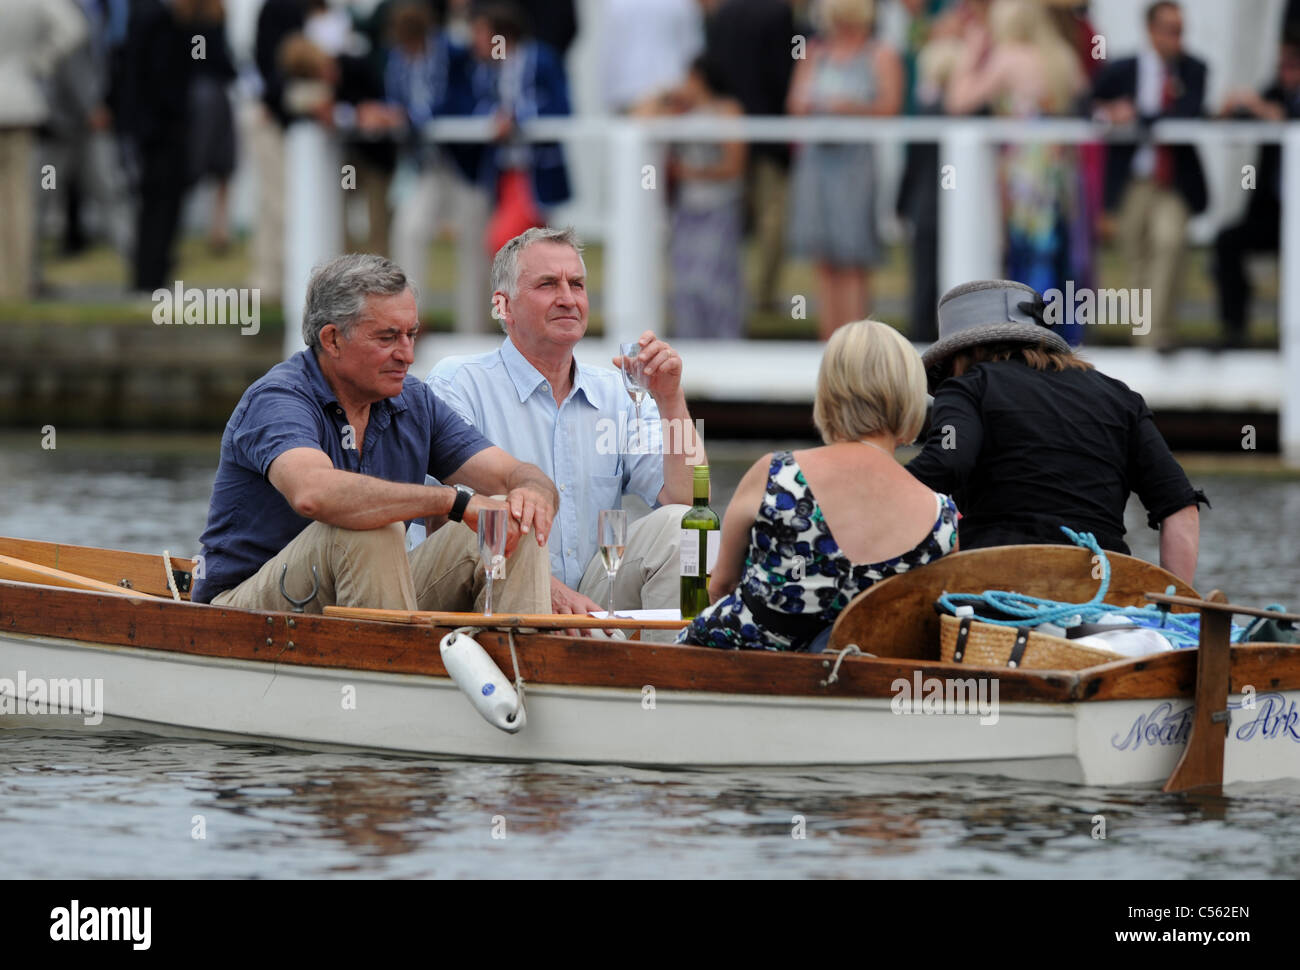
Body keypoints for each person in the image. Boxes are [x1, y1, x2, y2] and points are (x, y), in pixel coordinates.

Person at [191, 253, 557, 615]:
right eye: (388, 338)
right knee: (370, 528)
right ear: (332, 340)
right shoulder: (278, 399)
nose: (408, 355)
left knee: (508, 521)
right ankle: (396, 669)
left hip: (367, 593)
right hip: (240, 610)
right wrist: (452, 502)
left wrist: (533, 492)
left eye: (411, 335)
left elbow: (513, 473)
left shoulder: (415, 401)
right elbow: (313, 494)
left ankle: (523, 666)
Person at [423, 227, 706, 619]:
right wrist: (547, 591)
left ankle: (669, 670)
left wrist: (670, 398)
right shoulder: (458, 383)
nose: (568, 298)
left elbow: (688, 500)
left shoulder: (617, 393)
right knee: (501, 510)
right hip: (486, 591)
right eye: (547, 284)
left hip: (592, 590)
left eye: (577, 284)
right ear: (503, 306)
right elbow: (446, 524)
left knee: (685, 528)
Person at [678, 320, 959, 652]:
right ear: (909, 397)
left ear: (829, 391)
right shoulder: (941, 517)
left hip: (749, 670)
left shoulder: (777, 475)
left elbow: (721, 583)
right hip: (870, 679)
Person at [906, 279, 1203, 585]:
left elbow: (948, 459)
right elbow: (1180, 508)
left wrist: (881, 488)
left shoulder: (967, 386)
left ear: (961, 355)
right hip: (1103, 585)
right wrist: (1175, 610)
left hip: (999, 585)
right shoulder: (1119, 397)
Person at [944, 0, 1085, 341]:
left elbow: (958, 101)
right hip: (1055, 166)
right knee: (1054, 249)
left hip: (1024, 169)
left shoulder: (1008, 58)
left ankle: (1027, 331)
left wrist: (971, 52)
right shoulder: (1060, 57)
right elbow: (1081, 95)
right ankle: (1060, 331)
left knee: (1026, 251)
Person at [1091, 0, 1208, 353]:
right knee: (1136, 255)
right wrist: (1110, 112)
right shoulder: (1124, 69)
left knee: (1170, 241)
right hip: (1132, 181)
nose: (1177, 38)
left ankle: (1156, 337)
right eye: (1170, 30)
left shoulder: (1193, 70)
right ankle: (1146, 336)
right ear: (1152, 31)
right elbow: (1087, 101)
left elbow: (1187, 113)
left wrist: (1136, 115)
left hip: (1171, 180)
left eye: (1180, 30)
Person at [786, 0, 903, 339]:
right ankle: (829, 345)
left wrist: (851, 108)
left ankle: (857, 346)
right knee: (824, 256)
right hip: (817, 164)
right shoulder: (814, 51)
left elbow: (890, 107)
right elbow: (795, 104)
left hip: (854, 165)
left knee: (852, 257)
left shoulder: (880, 54)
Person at [635, 57, 747, 340]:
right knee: (685, 286)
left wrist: (689, 171)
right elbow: (639, 120)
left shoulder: (727, 110)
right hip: (686, 212)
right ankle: (689, 355)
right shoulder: (680, 111)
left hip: (719, 209)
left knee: (718, 287)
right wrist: (664, 94)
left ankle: (726, 355)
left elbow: (734, 165)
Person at [1212, 31, 1300, 349]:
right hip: (1272, 210)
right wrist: (1227, 111)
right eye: (1282, 65)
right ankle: (1235, 330)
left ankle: (1291, 338)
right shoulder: (1273, 92)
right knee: (1227, 242)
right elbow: (1237, 126)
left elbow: (1284, 119)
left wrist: (1262, 108)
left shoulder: (1276, 102)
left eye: (1292, 64)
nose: (1286, 72)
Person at [0, 0, 86, 300]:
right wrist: (38, 60)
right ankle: (17, 281)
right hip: (19, 100)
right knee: (19, 200)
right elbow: (74, 27)